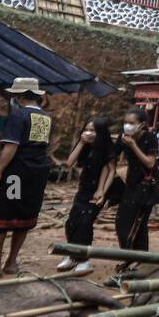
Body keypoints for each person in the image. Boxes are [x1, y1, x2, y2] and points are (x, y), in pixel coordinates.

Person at [0, 78, 53, 277]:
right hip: (36, 173)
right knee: (25, 214)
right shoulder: (45, 117)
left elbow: (11, 146)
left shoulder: (18, 116)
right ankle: (11, 262)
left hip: (17, 173)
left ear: (19, 97)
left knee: (2, 213)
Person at [56, 118, 117, 275]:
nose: (89, 133)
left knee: (85, 222)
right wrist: (81, 143)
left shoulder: (107, 147)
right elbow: (69, 163)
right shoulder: (85, 146)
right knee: (71, 222)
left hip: (99, 189)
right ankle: (72, 254)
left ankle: (84, 260)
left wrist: (102, 191)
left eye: (93, 130)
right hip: (84, 188)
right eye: (87, 129)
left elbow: (110, 170)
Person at [115, 106, 159, 256]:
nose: (127, 125)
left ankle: (139, 258)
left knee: (139, 223)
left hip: (146, 185)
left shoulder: (150, 138)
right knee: (121, 221)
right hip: (130, 183)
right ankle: (128, 255)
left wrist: (133, 145)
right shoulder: (123, 138)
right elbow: (113, 157)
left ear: (142, 125)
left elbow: (150, 163)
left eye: (131, 122)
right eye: (125, 122)